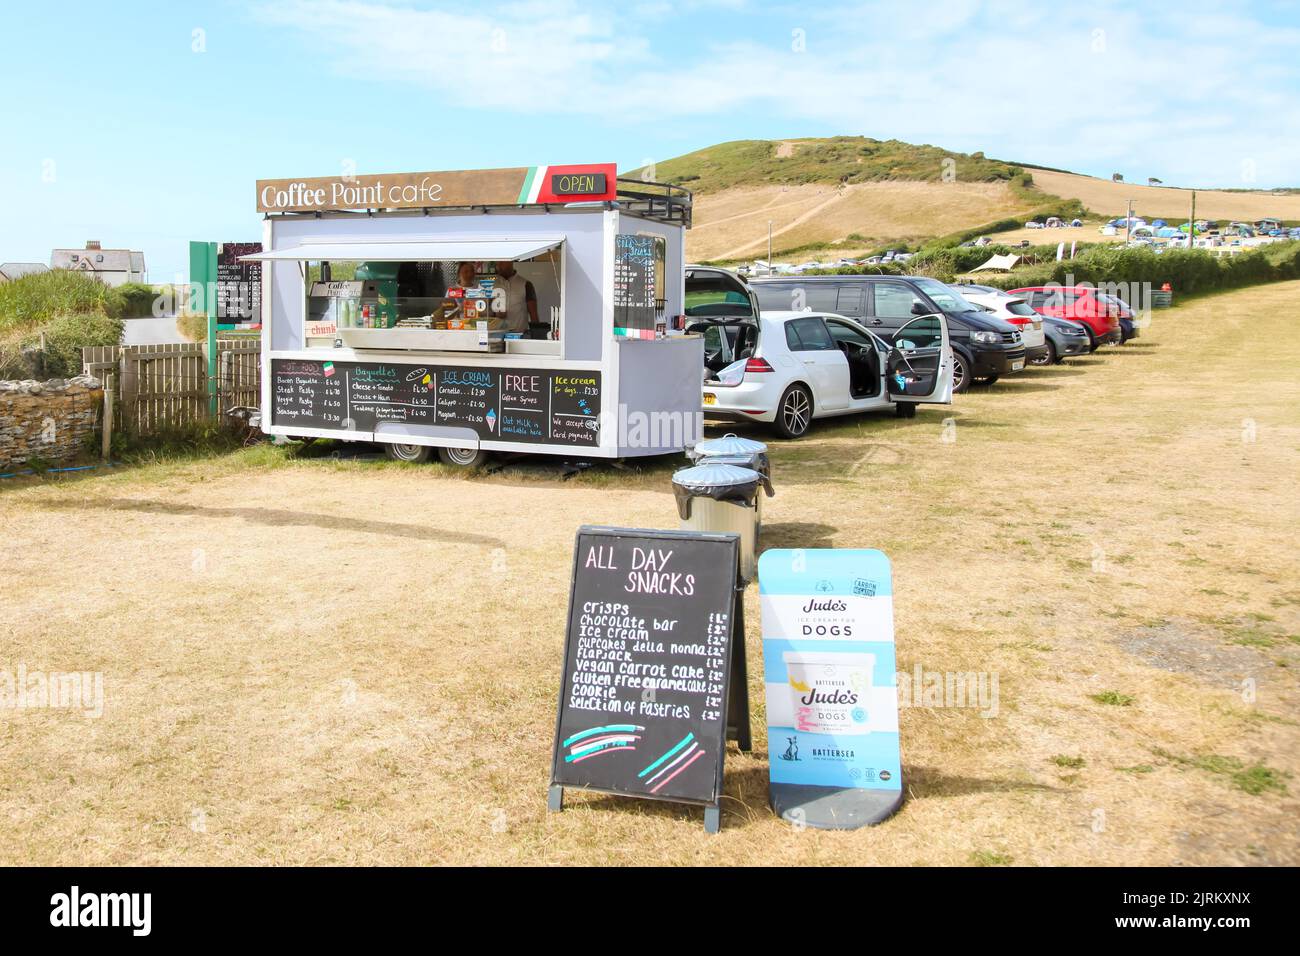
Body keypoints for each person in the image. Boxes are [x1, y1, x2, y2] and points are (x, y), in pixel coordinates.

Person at [493, 260, 538, 335]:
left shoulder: (525, 284)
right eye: (497, 263)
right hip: (497, 336)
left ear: (511, 262)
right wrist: (495, 314)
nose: (499, 266)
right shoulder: (494, 285)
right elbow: (487, 312)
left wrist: (536, 335)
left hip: (519, 336)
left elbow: (534, 315)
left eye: (502, 262)